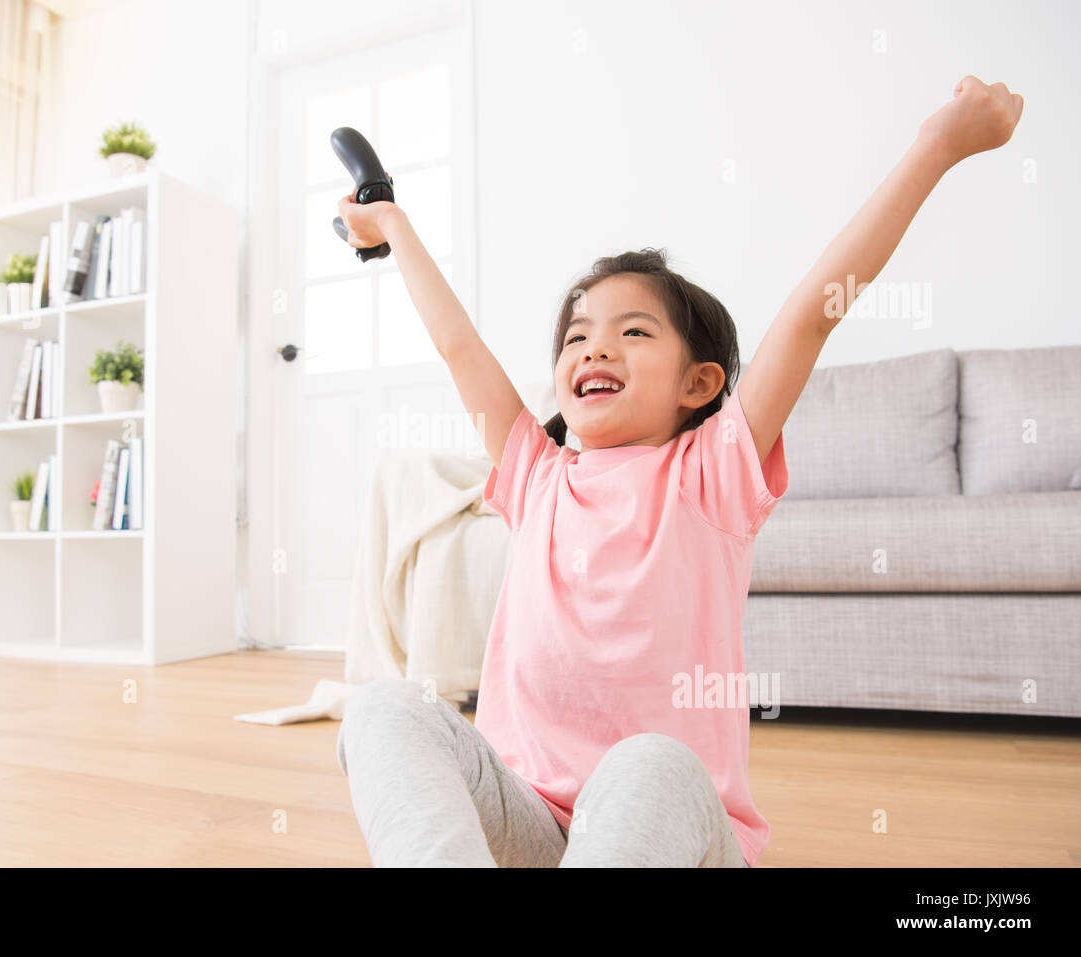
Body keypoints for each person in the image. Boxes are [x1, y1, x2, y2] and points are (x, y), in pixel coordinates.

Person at [334, 76, 1024, 867]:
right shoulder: (536, 473)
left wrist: (937, 148)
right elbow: (458, 344)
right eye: (577, 336)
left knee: (650, 761)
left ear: (698, 383)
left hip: (667, 835)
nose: (595, 348)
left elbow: (811, 315)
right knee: (385, 710)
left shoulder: (712, 474)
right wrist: (392, 222)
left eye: (632, 332)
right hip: (530, 823)